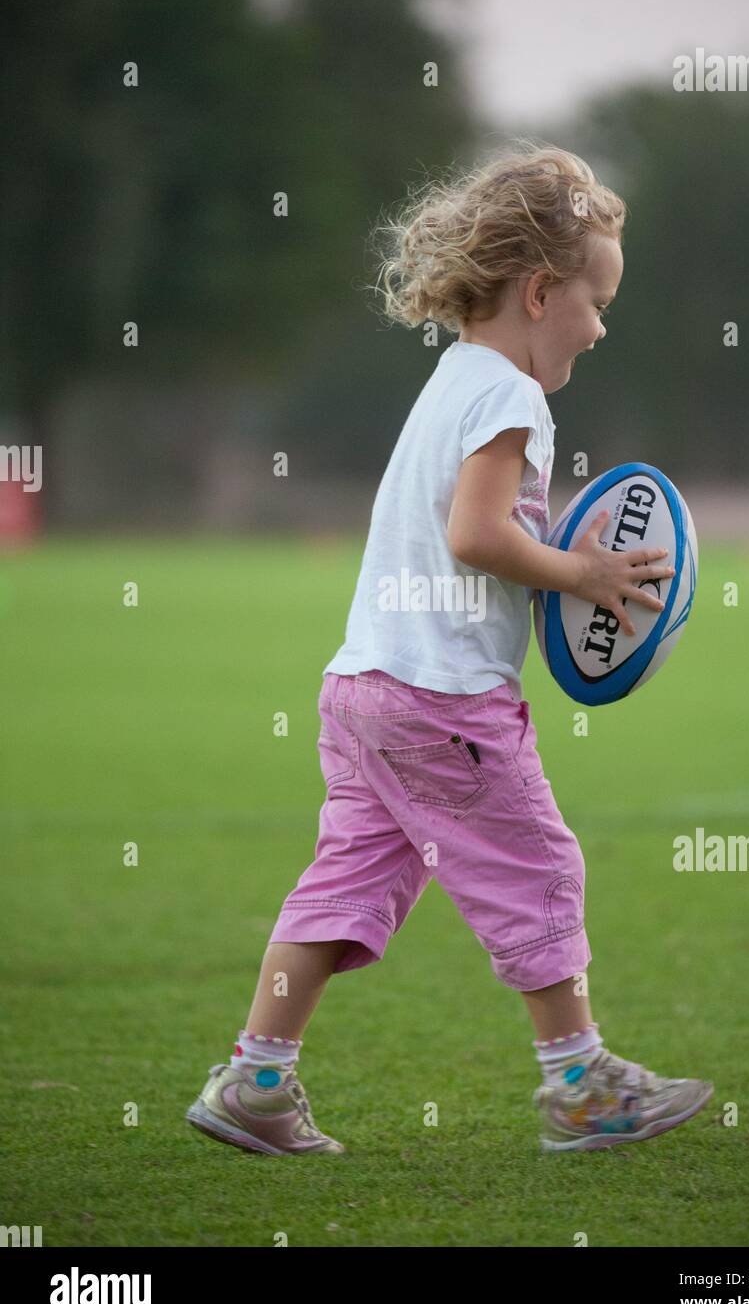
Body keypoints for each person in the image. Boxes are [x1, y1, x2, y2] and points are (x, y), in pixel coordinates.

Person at [186, 141, 713, 1157]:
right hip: (444, 703)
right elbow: (476, 535)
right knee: (540, 867)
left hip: (362, 690)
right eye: (595, 302)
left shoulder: (453, 380)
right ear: (538, 291)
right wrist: (584, 577)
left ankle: (256, 1077)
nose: (601, 328)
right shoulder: (514, 398)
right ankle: (577, 1085)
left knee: (342, 888)